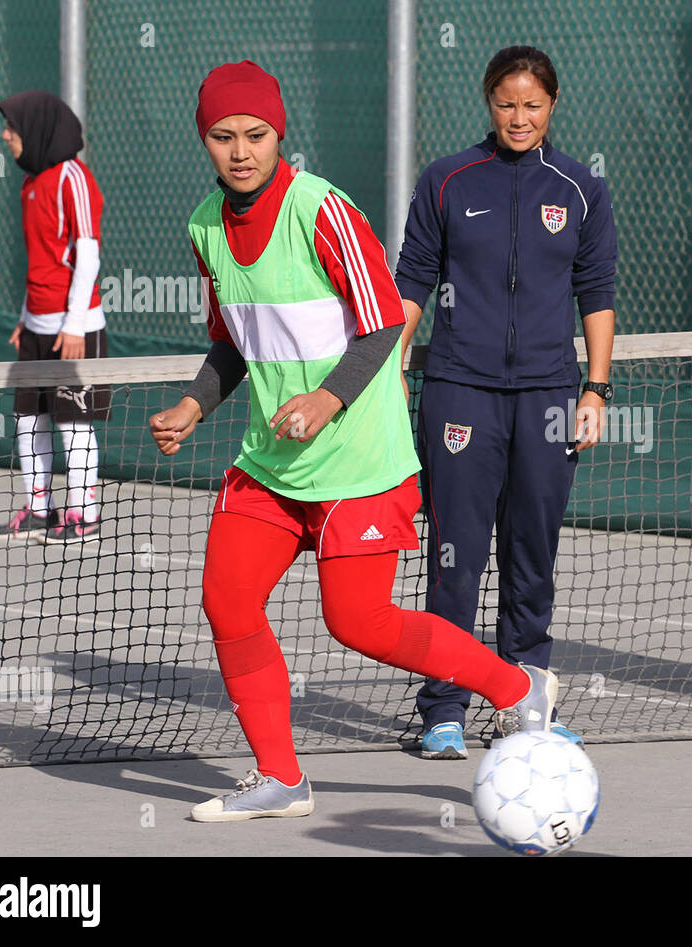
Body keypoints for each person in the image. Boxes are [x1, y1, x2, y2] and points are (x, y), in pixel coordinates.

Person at [150, 61, 557, 821]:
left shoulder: (322, 210)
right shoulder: (205, 224)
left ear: (280, 136)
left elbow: (382, 321)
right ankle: (280, 778)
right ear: (204, 140)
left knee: (357, 621)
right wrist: (193, 405)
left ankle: (517, 686)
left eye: (257, 135)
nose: (241, 151)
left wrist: (326, 398)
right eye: (223, 136)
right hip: (272, 460)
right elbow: (237, 342)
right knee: (227, 598)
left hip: (358, 458)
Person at [394, 46, 617, 760]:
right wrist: (394, 367)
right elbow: (412, 282)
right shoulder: (446, 179)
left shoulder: (581, 187)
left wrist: (596, 387)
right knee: (456, 556)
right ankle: (443, 709)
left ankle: (525, 704)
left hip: (551, 396)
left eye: (533, 104)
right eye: (506, 102)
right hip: (460, 391)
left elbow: (598, 294)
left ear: (554, 106)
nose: (519, 117)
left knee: (533, 556)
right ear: (487, 102)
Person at [0, 90, 109, 544]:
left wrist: (74, 324)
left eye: (12, 128)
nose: (6, 135)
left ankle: (84, 515)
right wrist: (26, 316)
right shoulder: (30, 184)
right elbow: (42, 261)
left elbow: (88, 254)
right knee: (28, 419)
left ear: (37, 130)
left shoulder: (72, 178)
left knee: (72, 423)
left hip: (73, 328)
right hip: (38, 326)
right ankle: (41, 509)